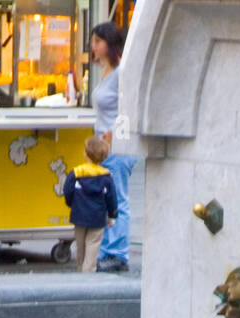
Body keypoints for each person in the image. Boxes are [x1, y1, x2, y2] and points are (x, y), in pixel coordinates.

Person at [90, 21, 136, 274]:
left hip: (116, 147)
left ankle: (118, 253)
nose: (93, 47)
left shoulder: (120, 73)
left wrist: (113, 133)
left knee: (117, 198)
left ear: (110, 44)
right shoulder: (107, 72)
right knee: (108, 198)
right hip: (105, 147)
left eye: (98, 41)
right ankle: (109, 251)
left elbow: (130, 106)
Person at [63, 135, 117, 273]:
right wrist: (112, 215)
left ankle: (80, 269)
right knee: (93, 246)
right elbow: (111, 198)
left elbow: (67, 192)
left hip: (79, 215)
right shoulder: (106, 176)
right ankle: (88, 273)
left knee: (80, 246)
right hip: (97, 218)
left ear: (85, 154)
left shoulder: (76, 173)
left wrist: (72, 204)